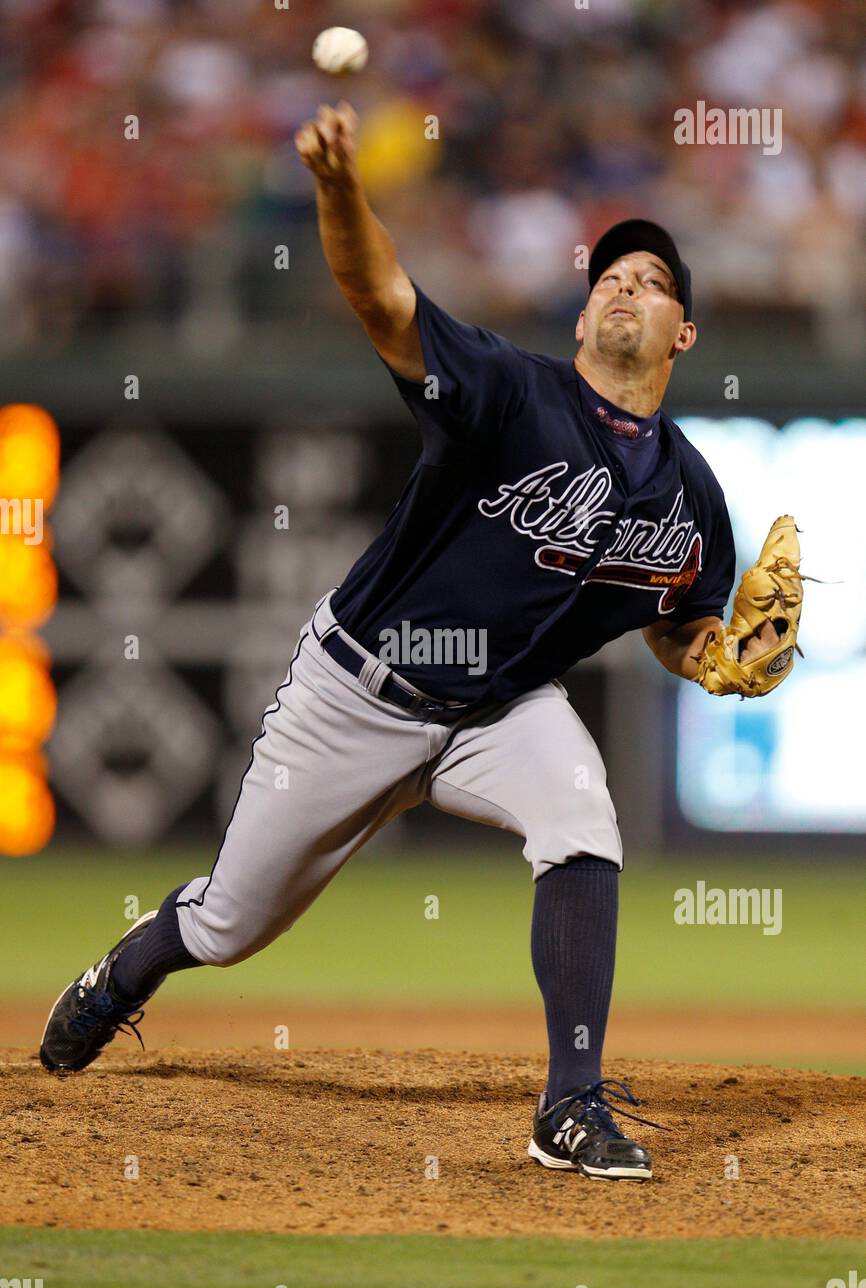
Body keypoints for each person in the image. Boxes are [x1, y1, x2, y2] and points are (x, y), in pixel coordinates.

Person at [40, 102, 781, 1182]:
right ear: (580, 320)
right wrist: (339, 187)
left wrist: (718, 654)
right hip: (354, 692)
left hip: (499, 710)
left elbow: (677, 626)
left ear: (683, 335)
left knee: (581, 820)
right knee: (230, 925)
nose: (624, 283)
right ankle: (121, 979)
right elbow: (377, 294)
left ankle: (567, 1105)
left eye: (652, 280)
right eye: (608, 275)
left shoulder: (689, 497)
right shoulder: (506, 390)